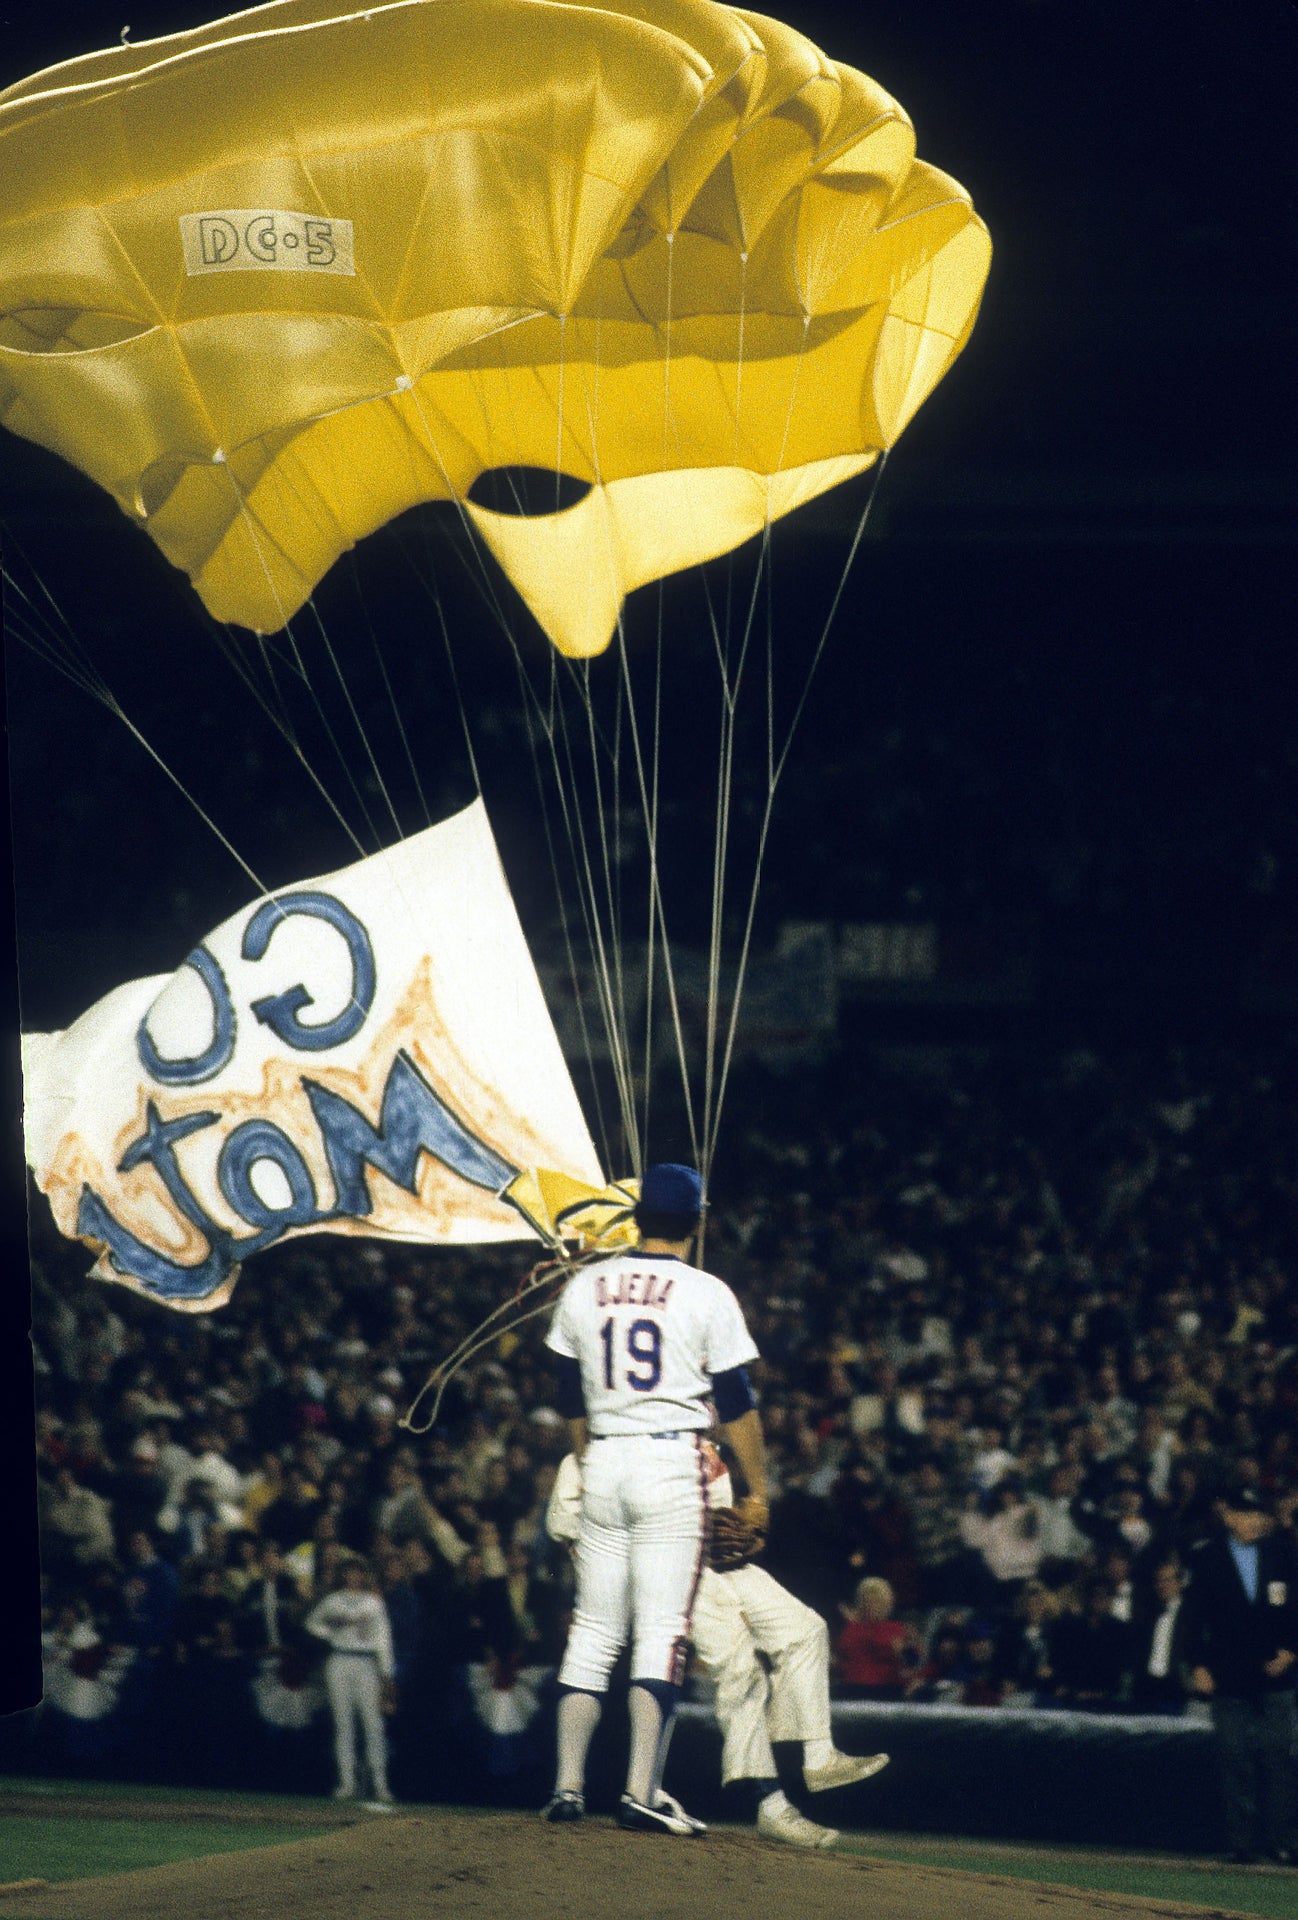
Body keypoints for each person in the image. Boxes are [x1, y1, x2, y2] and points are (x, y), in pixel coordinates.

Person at [540, 1162, 766, 1836]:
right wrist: (758, 1490)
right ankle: (640, 1791)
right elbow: (736, 1401)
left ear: (636, 1218)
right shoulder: (708, 1291)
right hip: (670, 1459)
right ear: (696, 1220)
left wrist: (589, 1458)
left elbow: (566, 1390)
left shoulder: (585, 1285)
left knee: (593, 1630)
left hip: (606, 1456)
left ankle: (567, 1787)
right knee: (662, 1632)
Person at [547, 1445, 889, 1849]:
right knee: (740, 1668)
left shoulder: (708, 1454)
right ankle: (772, 1806)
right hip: (660, 1570)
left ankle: (819, 1756)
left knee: (807, 1629)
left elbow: (722, 1528)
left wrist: (743, 1538)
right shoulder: (594, 1452)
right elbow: (568, 1532)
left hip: (714, 1567)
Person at [1182, 1485, 1298, 1864]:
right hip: (1227, 1674)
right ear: (1229, 1515)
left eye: (1258, 1514)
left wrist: (1291, 1651)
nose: (1254, 1521)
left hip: (1275, 1672)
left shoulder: (1283, 1553)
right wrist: (1198, 1664)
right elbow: (1192, 1615)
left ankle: (1282, 1841)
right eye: (1246, 1513)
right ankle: (1241, 1843)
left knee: (1279, 1756)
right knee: (1234, 1759)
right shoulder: (1207, 1558)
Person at [304, 1554, 397, 1809]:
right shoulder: (333, 1600)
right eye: (349, 1572)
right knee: (343, 1723)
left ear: (364, 1576)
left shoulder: (373, 1602)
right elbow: (312, 1623)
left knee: (373, 1723)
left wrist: (386, 1673)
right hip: (340, 1659)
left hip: (366, 1661)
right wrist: (331, 1634)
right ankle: (346, 1782)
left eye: (358, 1572)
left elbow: (383, 1639)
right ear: (343, 1575)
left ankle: (380, 1783)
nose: (353, 1576)